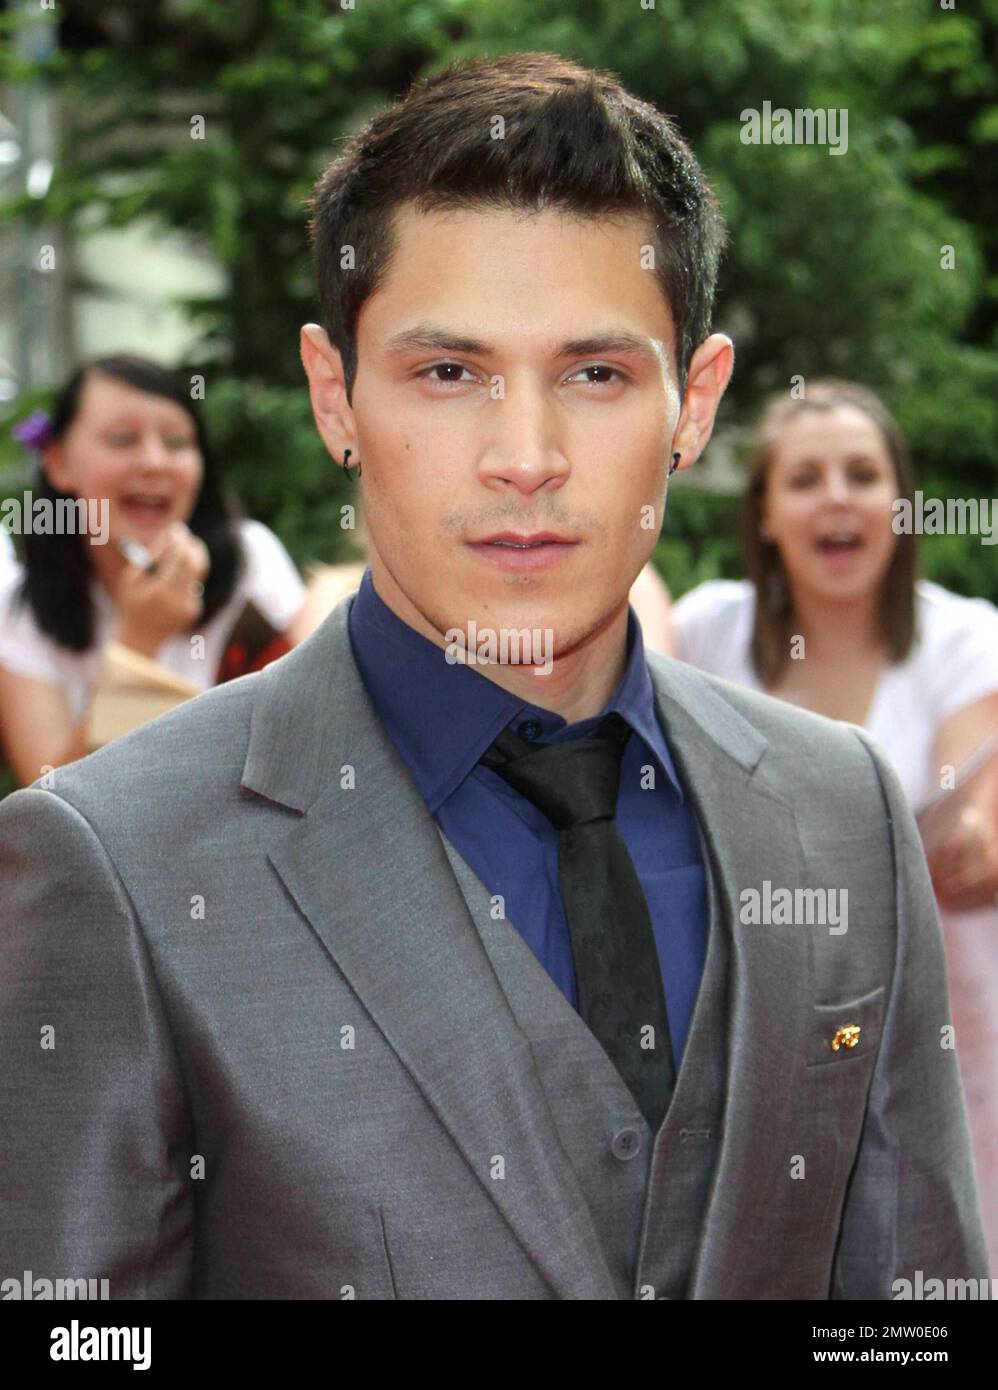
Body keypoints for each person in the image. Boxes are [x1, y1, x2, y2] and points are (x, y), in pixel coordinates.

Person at [0, 54, 986, 1300]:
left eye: (594, 373)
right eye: (448, 373)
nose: (526, 457)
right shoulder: (117, 864)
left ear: (692, 402)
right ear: (334, 395)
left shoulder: (840, 811)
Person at [672, 379, 998, 1268]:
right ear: (767, 515)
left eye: (862, 473)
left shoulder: (967, 639)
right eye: (806, 479)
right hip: (765, 1022)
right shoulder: (707, 633)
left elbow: (969, 838)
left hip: (951, 1018)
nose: (839, 498)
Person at [0, 355, 306, 785]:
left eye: (177, 442)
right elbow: (49, 813)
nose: (154, 462)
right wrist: (137, 645)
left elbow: (315, 729)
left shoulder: (250, 559)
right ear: (59, 463)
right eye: (123, 439)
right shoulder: (21, 612)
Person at [288, 511, 677, 653]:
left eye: (597, 377)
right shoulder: (336, 595)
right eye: (448, 374)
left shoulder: (632, 587)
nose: (525, 467)